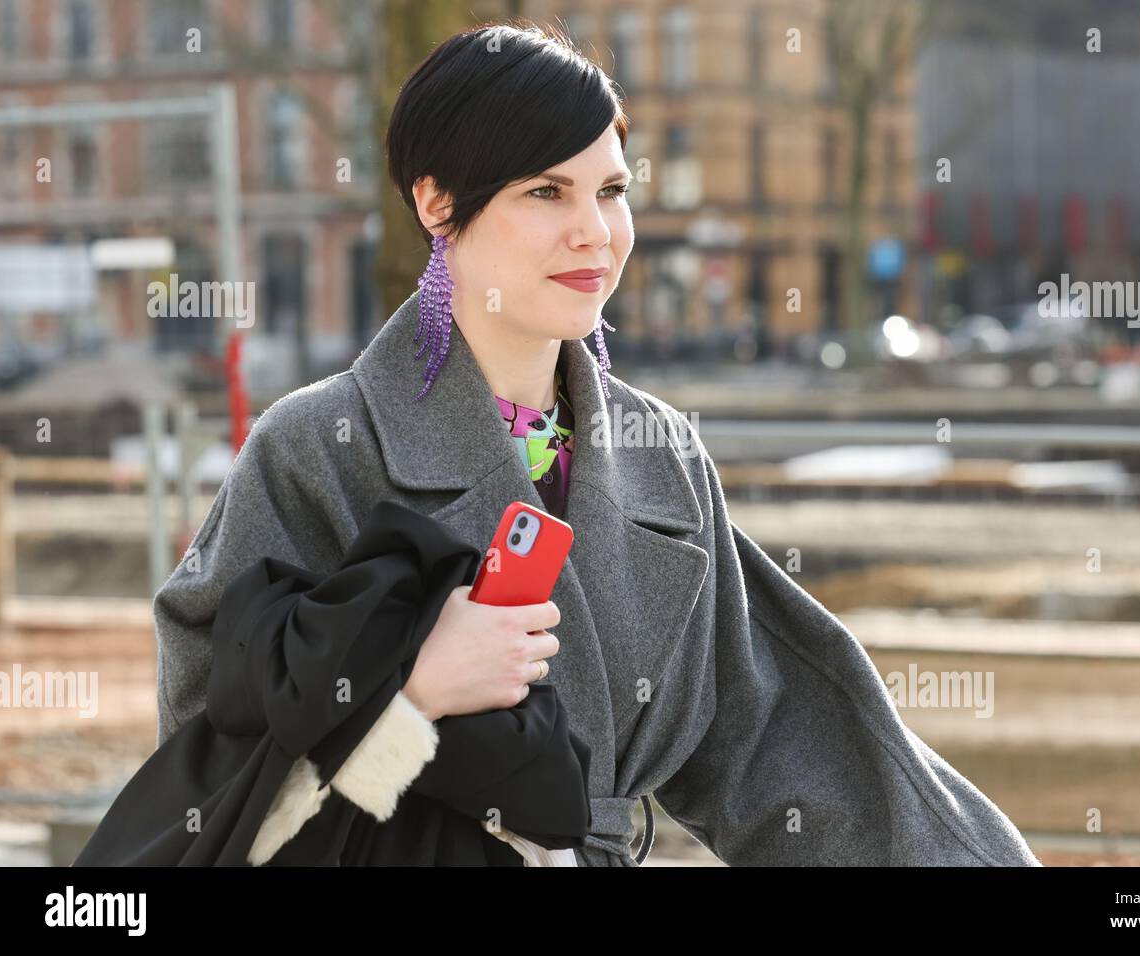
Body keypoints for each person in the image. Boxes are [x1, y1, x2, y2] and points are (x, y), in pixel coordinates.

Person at [155, 20, 1041, 867]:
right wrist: (413, 696)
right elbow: (214, 793)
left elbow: (787, 744)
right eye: (546, 191)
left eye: (611, 190)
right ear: (435, 202)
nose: (596, 231)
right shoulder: (316, 449)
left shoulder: (661, 456)